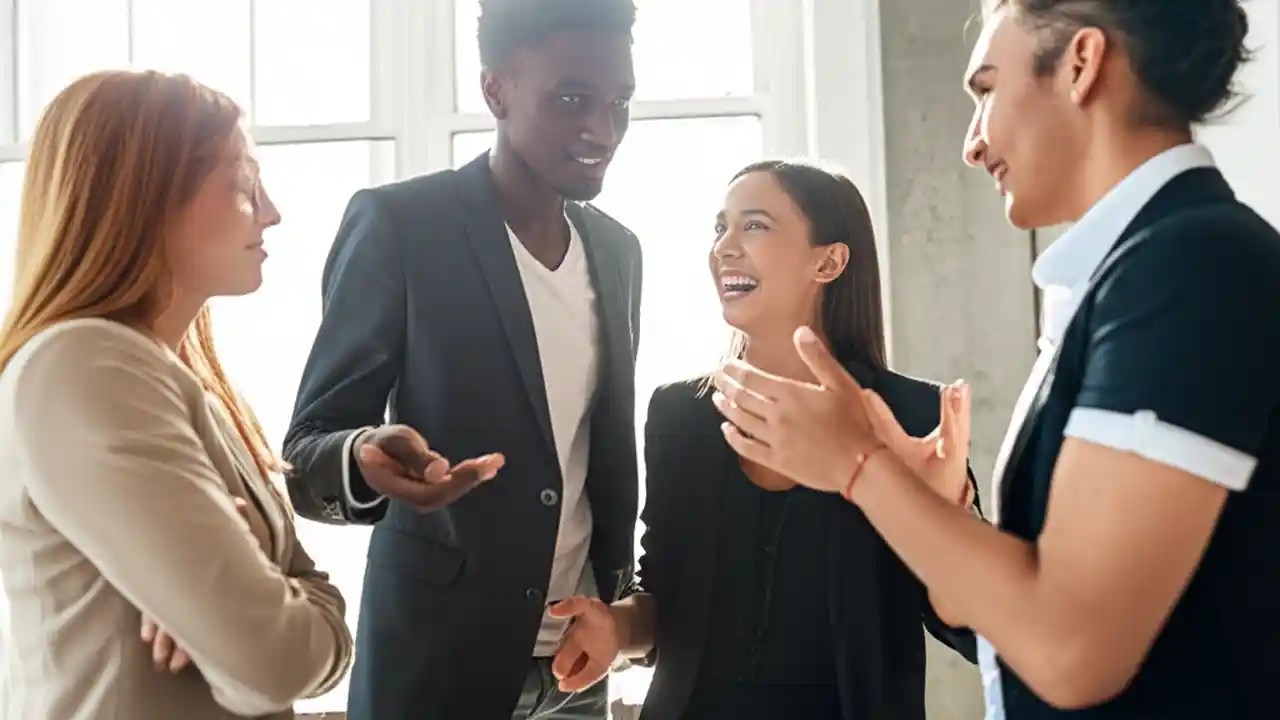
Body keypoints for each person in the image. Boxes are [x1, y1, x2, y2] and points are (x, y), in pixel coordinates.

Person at [711, 1, 1279, 718]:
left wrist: (858, 467)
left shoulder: (1189, 268)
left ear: (1081, 64)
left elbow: (1073, 651)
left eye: (986, 89)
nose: (972, 145)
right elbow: (1029, 614)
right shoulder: (1134, 273)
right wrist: (929, 505)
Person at [281, 0, 643, 717]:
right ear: (496, 90)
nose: (602, 129)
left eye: (619, 102)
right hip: (438, 663)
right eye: (571, 98)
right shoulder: (401, 227)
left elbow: (596, 455)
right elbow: (307, 452)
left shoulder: (618, 251)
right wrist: (362, 456)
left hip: (578, 667)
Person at [547, 160, 979, 720]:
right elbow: (666, 600)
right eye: (720, 227)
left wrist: (947, 522)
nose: (724, 247)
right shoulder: (680, 415)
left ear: (829, 260)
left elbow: (975, 629)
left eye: (754, 225)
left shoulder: (913, 415)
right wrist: (615, 627)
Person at [0, 70, 352, 720]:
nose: (270, 210)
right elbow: (279, 663)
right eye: (244, 185)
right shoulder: (85, 367)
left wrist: (247, 579)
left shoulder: (172, 375)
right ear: (146, 199)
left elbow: (305, 628)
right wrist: (256, 590)